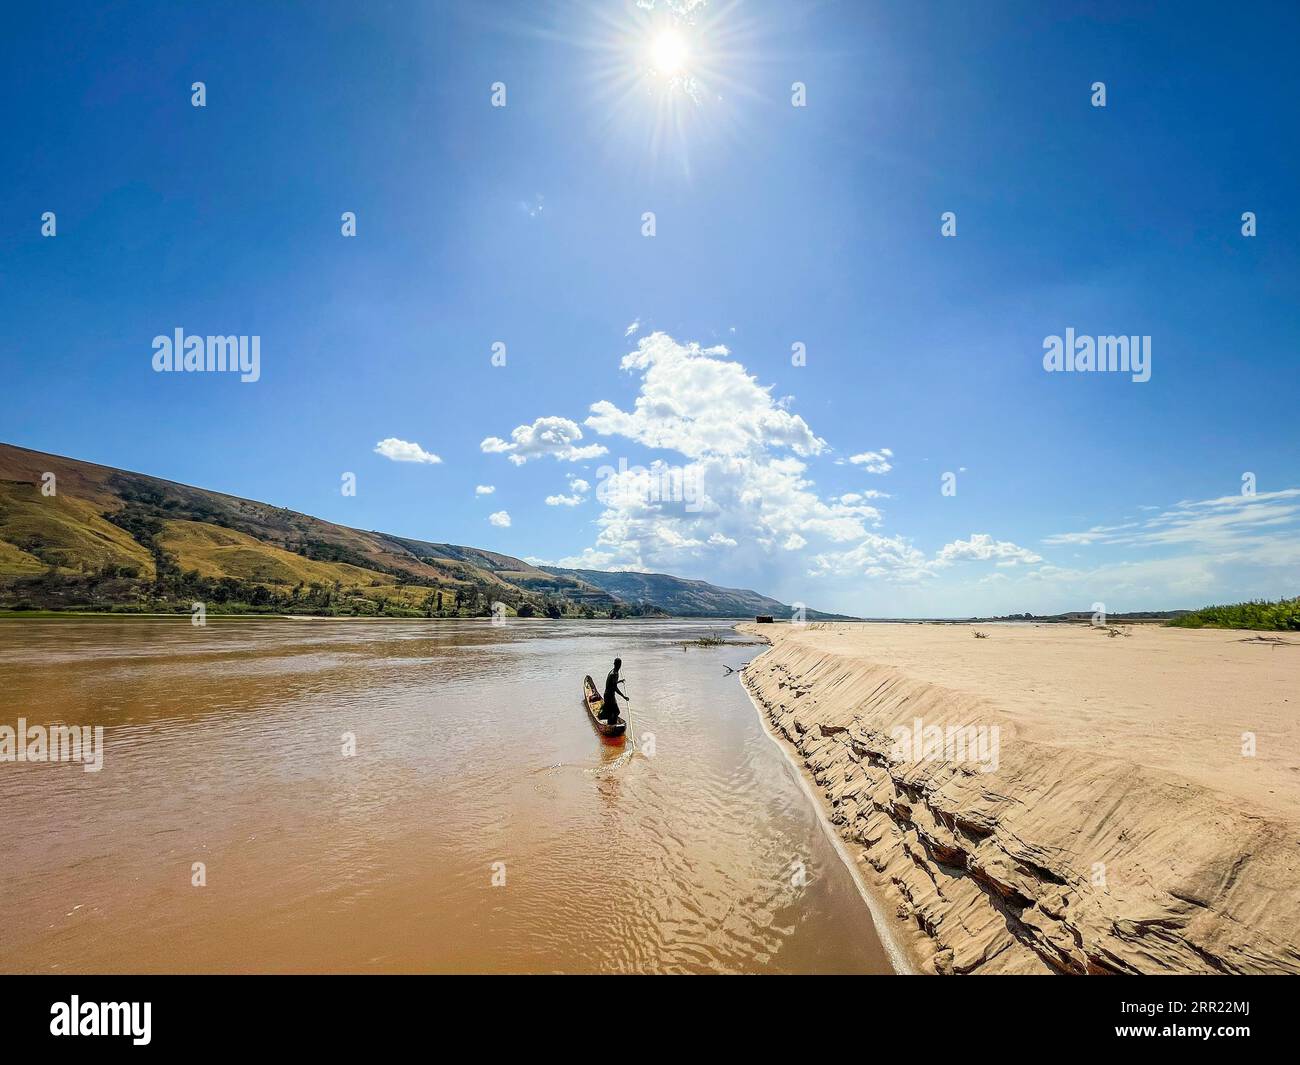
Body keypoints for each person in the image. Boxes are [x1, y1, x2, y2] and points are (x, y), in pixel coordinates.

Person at [600, 658, 627, 723]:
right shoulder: (614, 674)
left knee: (612, 712)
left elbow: (611, 684)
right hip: (610, 697)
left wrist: (619, 681)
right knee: (616, 712)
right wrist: (624, 696)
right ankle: (611, 725)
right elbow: (615, 688)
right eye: (619, 664)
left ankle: (611, 724)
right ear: (619, 665)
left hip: (608, 695)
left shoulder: (613, 671)